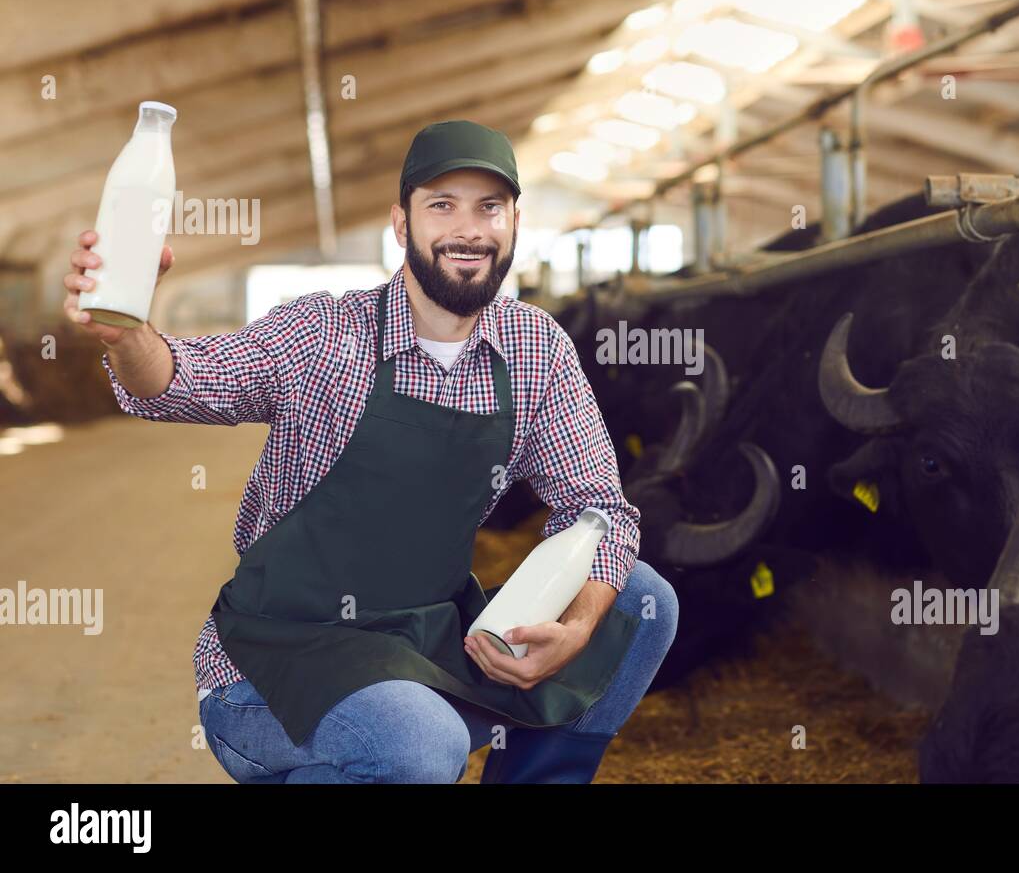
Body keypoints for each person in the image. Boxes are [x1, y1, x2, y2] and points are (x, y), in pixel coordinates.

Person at [63, 119, 679, 783]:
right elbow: (180, 381)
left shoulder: (537, 348)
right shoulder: (324, 332)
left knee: (639, 601)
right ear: (400, 222)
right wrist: (125, 335)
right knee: (419, 744)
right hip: (280, 660)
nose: (468, 229)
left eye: (489, 207)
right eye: (442, 204)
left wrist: (579, 626)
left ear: (513, 224)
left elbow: (600, 513)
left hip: (425, 643)